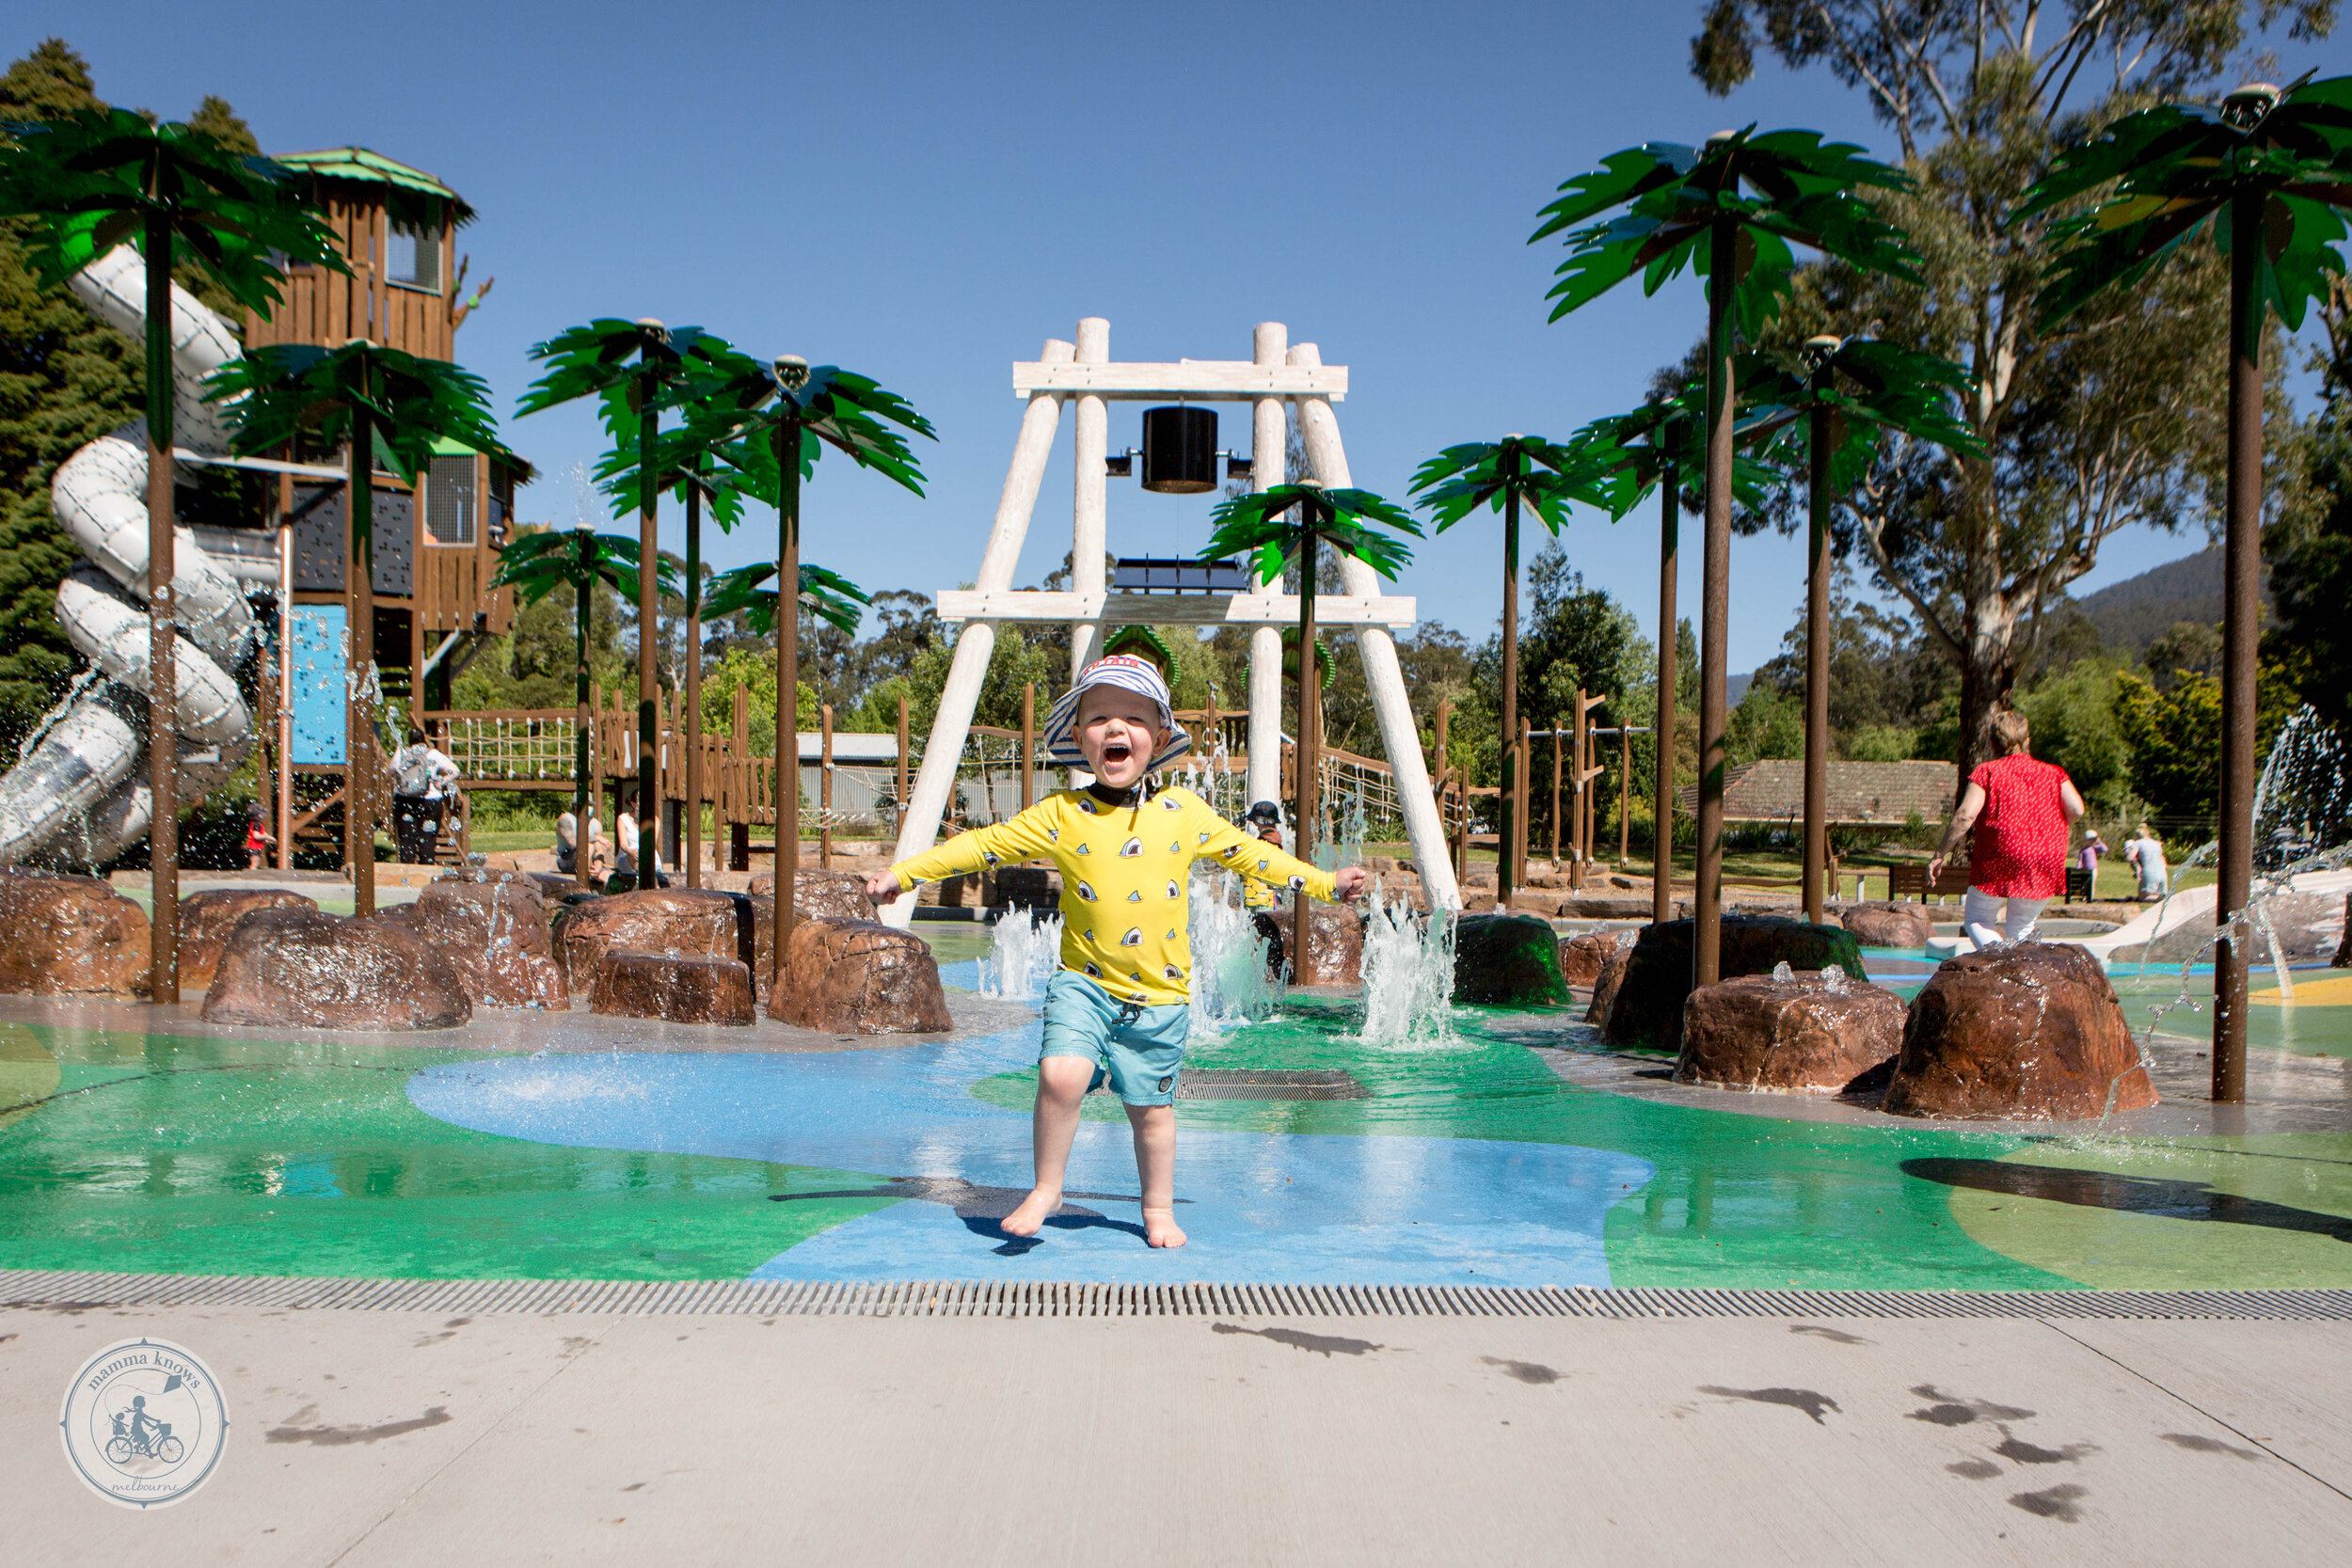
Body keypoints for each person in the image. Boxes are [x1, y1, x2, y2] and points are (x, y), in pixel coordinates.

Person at [866, 655, 1367, 1249]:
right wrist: (906, 874)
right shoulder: (1062, 815)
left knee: (1150, 1112)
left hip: (1160, 997)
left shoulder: (1184, 813)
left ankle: (1156, 1206)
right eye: (1099, 716)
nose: (1115, 727)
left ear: (1157, 736)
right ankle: (1047, 1188)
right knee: (1060, 1075)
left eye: (1133, 716)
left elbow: (1252, 854)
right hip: (1084, 984)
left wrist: (1324, 883)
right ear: (1079, 737)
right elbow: (982, 846)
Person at [1928, 709, 2085, 948]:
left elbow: (1965, 816)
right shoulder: (2055, 773)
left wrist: (1940, 854)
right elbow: (2077, 810)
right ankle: (2020, 972)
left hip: (2002, 853)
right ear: (2027, 741)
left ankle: (2001, 960)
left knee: (1978, 920)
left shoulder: (1987, 772)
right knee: (2022, 926)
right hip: (2047, 857)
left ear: (1992, 743)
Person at [389, 729, 458, 864]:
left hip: (404, 800)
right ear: (424, 739)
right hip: (430, 800)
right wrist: (441, 782)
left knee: (407, 840)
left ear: (409, 740)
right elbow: (455, 770)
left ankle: (407, 876)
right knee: (428, 839)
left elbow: (391, 770)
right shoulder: (433, 754)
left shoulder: (402, 752)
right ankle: (427, 873)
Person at [1239, 800, 1285, 911]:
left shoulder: (1269, 843)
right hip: (1262, 899)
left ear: (1262, 821)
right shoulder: (1272, 842)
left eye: (1255, 821)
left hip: (1262, 900)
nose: (1254, 824)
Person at [2124, 822, 2169, 903]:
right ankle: (2164, 899)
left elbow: (2130, 857)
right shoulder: (2156, 843)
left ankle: (2162, 900)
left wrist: (2128, 851)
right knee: (2159, 894)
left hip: (2149, 873)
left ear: (2137, 836)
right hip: (2162, 873)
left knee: (2143, 897)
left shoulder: (2138, 843)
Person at [246, 804, 276, 871]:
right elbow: (256, 836)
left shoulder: (255, 823)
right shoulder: (257, 824)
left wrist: (269, 838)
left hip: (254, 846)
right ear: (258, 815)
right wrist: (265, 836)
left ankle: (254, 869)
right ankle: (253, 870)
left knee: (256, 859)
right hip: (253, 846)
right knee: (255, 860)